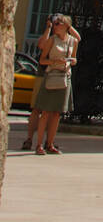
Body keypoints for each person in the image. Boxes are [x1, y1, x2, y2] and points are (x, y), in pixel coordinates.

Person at [22, 16, 81, 150]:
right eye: (55, 23)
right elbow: (42, 54)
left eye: (58, 23)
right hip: (49, 75)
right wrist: (55, 61)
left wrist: (71, 61)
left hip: (64, 77)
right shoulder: (52, 39)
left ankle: (49, 143)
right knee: (43, 110)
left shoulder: (72, 41)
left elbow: (76, 48)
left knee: (56, 113)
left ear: (66, 25)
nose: (55, 25)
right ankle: (35, 142)